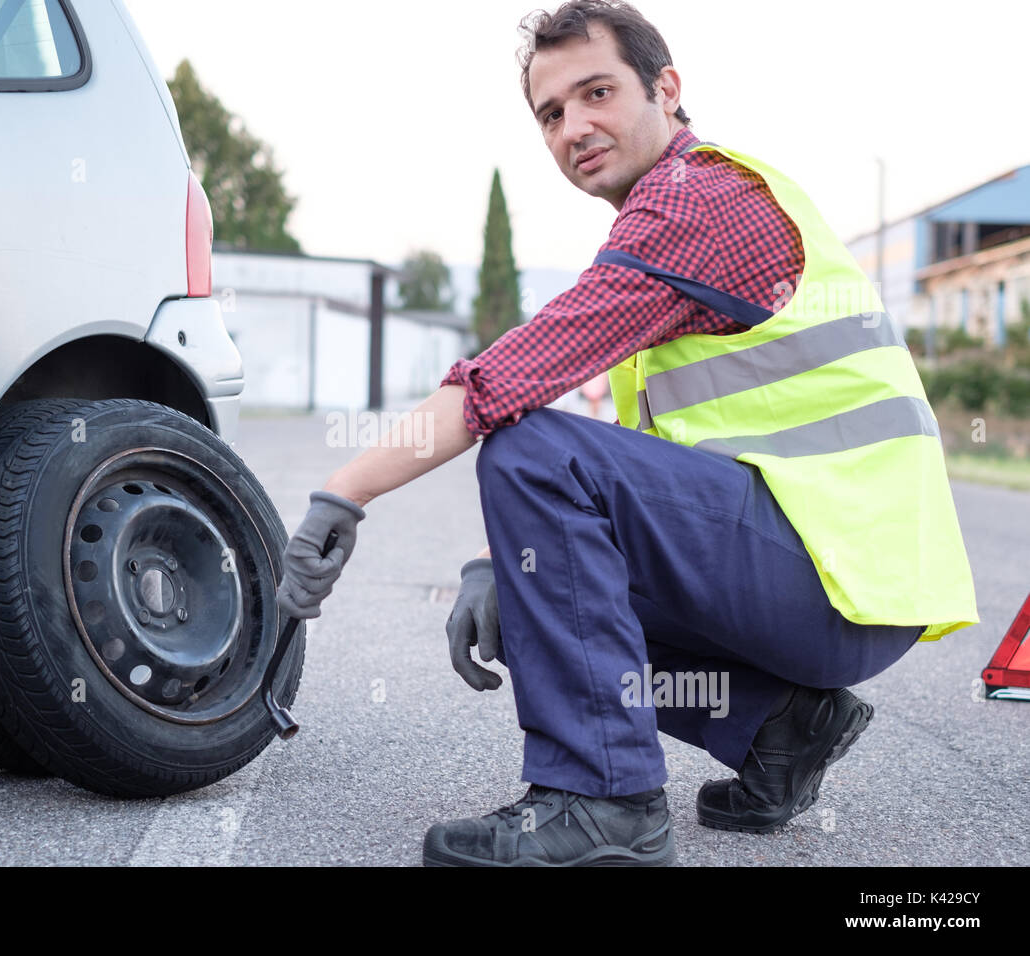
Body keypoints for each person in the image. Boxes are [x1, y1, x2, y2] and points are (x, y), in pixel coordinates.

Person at [276, 0, 978, 867]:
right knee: (540, 578)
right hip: (851, 582)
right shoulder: (690, 205)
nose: (575, 127)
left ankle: (604, 800)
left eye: (597, 92)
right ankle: (781, 726)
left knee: (532, 448)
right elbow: (668, 487)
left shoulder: (696, 204)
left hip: (836, 576)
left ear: (667, 88)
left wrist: (341, 497)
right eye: (551, 114)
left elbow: (501, 382)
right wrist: (512, 568)